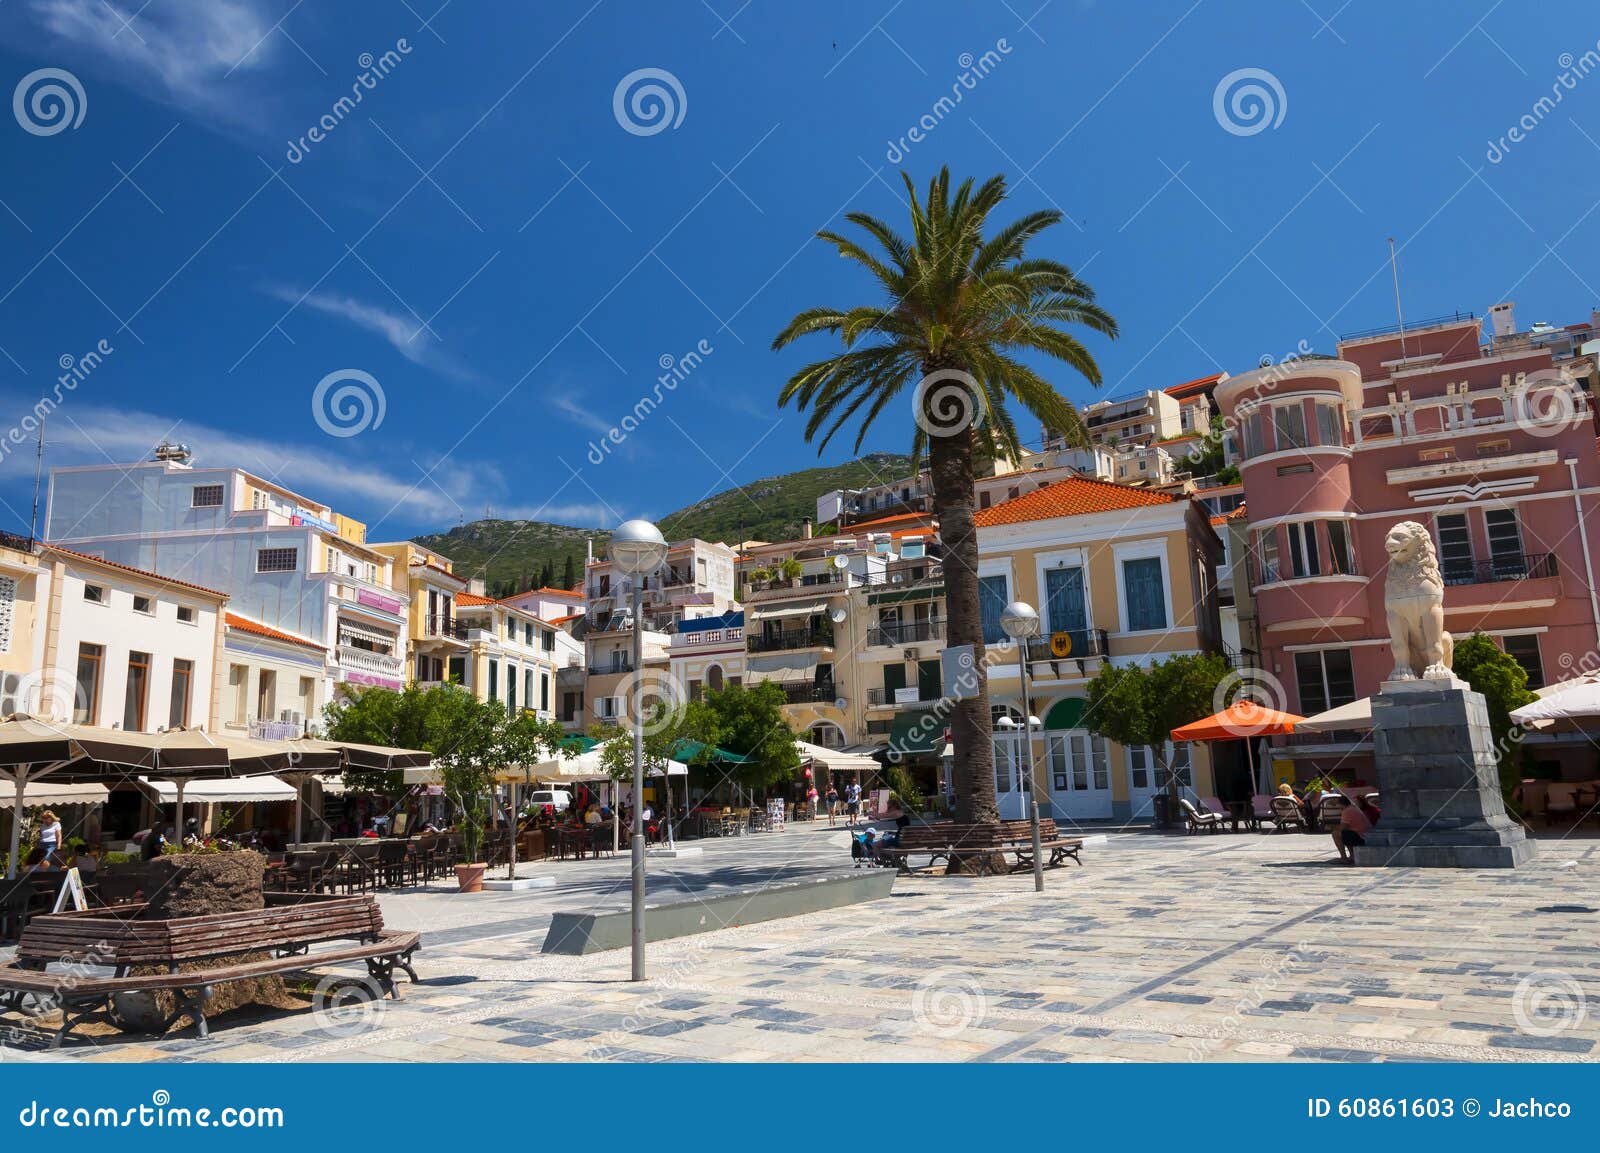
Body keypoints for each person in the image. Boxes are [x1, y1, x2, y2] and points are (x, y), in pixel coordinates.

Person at [1332, 794, 1371, 865]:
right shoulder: (1353, 808)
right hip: (1364, 835)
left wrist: (1333, 828)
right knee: (1346, 833)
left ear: (1341, 804)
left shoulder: (1347, 811)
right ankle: (1352, 855)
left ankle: (1344, 858)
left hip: (1361, 837)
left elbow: (1343, 827)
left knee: (1336, 833)